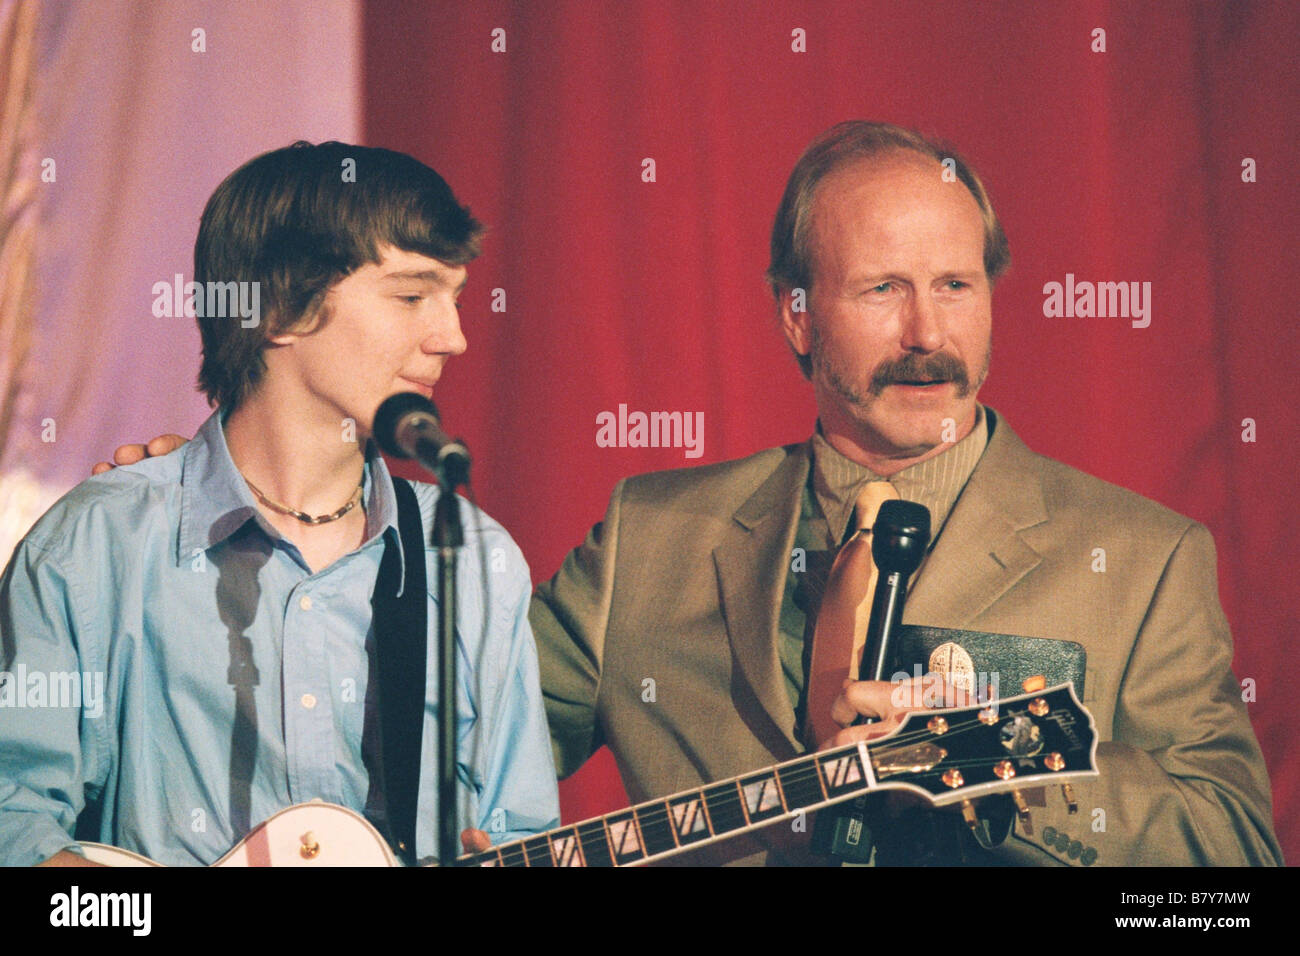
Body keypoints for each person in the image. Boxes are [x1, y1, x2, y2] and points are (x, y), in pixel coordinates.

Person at [93, 123, 1283, 866]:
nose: (930, 333)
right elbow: (419, 741)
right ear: (795, 317)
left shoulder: (1142, 554)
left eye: (957, 285)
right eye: (881, 288)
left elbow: (1230, 866)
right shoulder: (653, 535)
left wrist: (1023, 786)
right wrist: (235, 494)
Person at [0, 141, 559, 866]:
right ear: (281, 309)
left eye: (455, 298)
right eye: (413, 295)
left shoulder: (472, 557)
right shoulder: (96, 546)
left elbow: (518, 827)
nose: (452, 337)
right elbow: (12, 817)